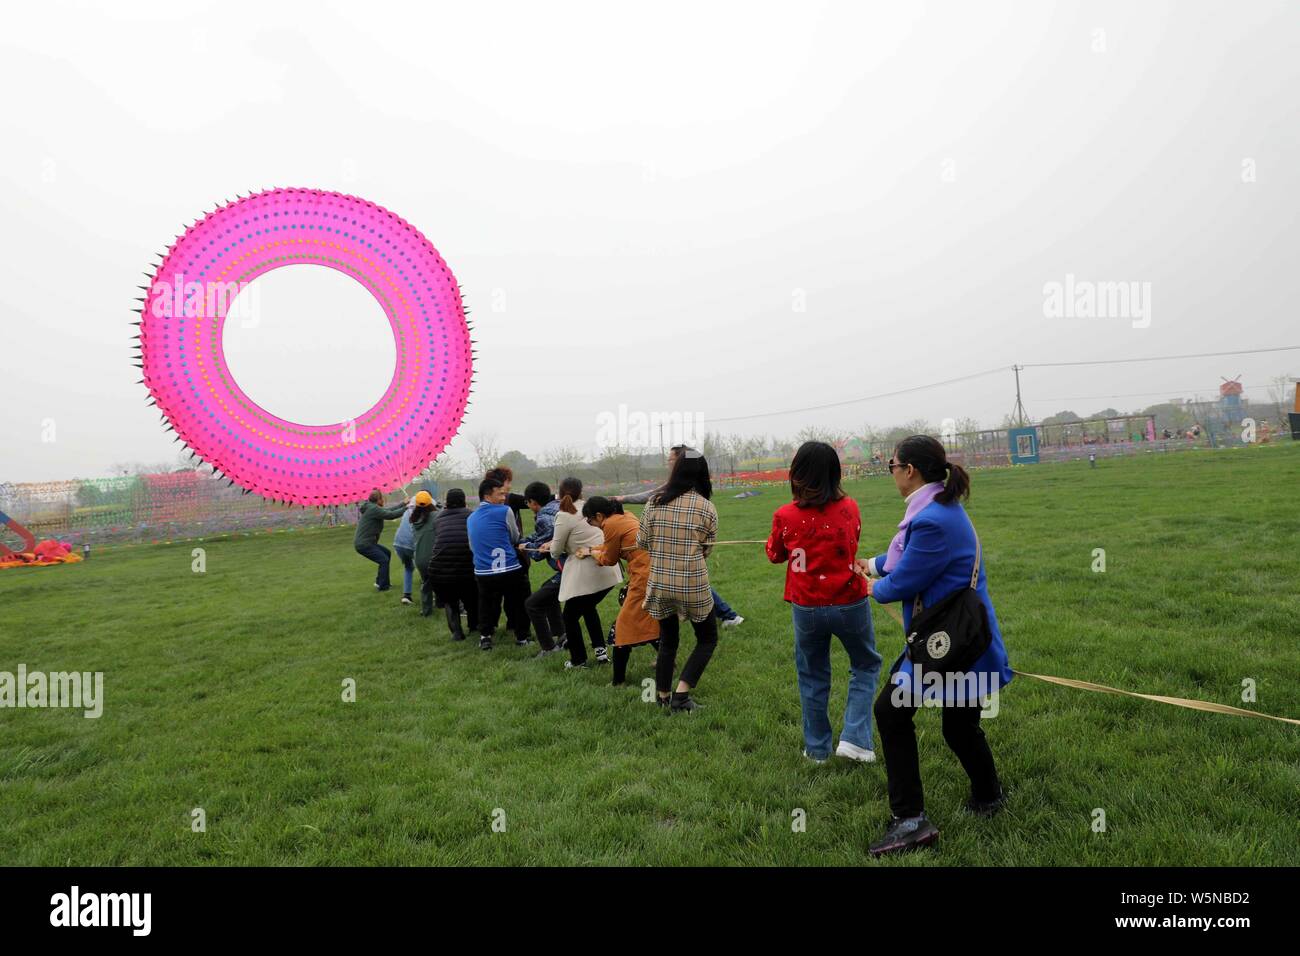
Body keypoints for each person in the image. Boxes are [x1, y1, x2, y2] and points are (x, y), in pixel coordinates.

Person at [855, 435, 1013, 857]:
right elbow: (906, 558)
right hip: (965, 639)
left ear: (909, 470)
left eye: (891, 464)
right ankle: (989, 796)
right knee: (959, 726)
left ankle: (910, 821)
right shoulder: (937, 507)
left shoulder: (930, 519)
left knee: (890, 712)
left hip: (949, 643)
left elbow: (903, 582)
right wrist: (870, 563)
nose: (890, 472)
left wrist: (872, 586)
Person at [767, 441, 881, 764]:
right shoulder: (850, 508)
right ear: (836, 473)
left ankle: (817, 749)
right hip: (849, 603)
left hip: (807, 609)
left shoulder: (785, 515)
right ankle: (855, 740)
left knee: (813, 675)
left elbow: (775, 554)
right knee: (865, 664)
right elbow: (852, 541)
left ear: (797, 474)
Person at [616, 446, 744, 628]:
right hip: (684, 563)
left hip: (675, 569)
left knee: (693, 597)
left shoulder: (675, 495)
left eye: (671, 460)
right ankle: (726, 615)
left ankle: (728, 615)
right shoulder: (692, 497)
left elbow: (643, 536)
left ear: (681, 463)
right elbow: (706, 547)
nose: (669, 463)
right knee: (690, 585)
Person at [637, 448, 719, 712]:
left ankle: (661, 695)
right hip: (692, 583)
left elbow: (641, 542)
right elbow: (706, 550)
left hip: (660, 582)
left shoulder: (654, 502)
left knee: (668, 639)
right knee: (707, 639)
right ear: (702, 474)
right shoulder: (706, 507)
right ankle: (680, 696)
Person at [580, 496, 660, 685]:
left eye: (590, 520)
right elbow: (612, 548)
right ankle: (667, 661)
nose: (591, 525)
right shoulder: (625, 516)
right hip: (652, 573)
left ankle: (618, 682)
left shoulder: (611, 524)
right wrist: (592, 549)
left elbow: (609, 559)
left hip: (643, 578)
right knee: (649, 622)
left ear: (598, 516)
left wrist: (592, 553)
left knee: (622, 630)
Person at [546, 478, 621, 668]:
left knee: (569, 617)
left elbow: (555, 552)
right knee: (588, 607)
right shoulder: (589, 507)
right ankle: (600, 652)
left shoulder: (564, 514)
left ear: (560, 493)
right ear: (581, 492)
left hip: (586, 574)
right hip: (608, 571)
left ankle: (578, 660)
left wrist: (552, 547)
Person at [466, 477, 532, 651]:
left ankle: (485, 637)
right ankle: (522, 637)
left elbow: (473, 545)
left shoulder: (471, 517)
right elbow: (514, 537)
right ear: (488, 495)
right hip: (509, 568)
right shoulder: (505, 511)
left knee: (486, 604)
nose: (504, 497)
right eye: (500, 494)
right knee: (519, 602)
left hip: (483, 572)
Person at [519, 481, 566, 658]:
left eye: (527, 503)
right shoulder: (557, 507)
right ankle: (563, 636)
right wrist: (526, 540)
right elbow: (542, 537)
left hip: (570, 568)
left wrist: (527, 546)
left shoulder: (544, 516)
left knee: (533, 604)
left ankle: (548, 649)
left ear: (532, 502)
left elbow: (540, 552)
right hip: (575, 566)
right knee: (549, 595)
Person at [427, 488, 478, 640]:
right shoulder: (471, 515)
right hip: (466, 567)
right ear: (464, 500)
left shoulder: (438, 518)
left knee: (450, 601)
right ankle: (474, 627)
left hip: (438, 570)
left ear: (447, 502)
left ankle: (456, 633)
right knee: (472, 599)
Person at [354, 488, 408, 592]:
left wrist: (403, 504)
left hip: (367, 543)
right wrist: (406, 508)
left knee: (386, 554)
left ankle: (380, 582)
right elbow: (391, 515)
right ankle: (383, 587)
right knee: (383, 560)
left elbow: (387, 511)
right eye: (382, 498)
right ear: (378, 500)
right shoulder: (373, 509)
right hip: (364, 544)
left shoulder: (372, 507)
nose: (383, 500)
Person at [407, 491, 439, 617]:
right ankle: (448, 605)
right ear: (430, 502)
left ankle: (426, 610)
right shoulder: (437, 516)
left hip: (419, 559)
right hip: (434, 557)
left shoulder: (414, 519)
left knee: (426, 583)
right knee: (442, 581)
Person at [392, 499, 419, 605]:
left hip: (398, 544)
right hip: (410, 544)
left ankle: (406, 595)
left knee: (409, 567)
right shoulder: (421, 513)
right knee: (426, 567)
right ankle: (433, 596)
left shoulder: (407, 511)